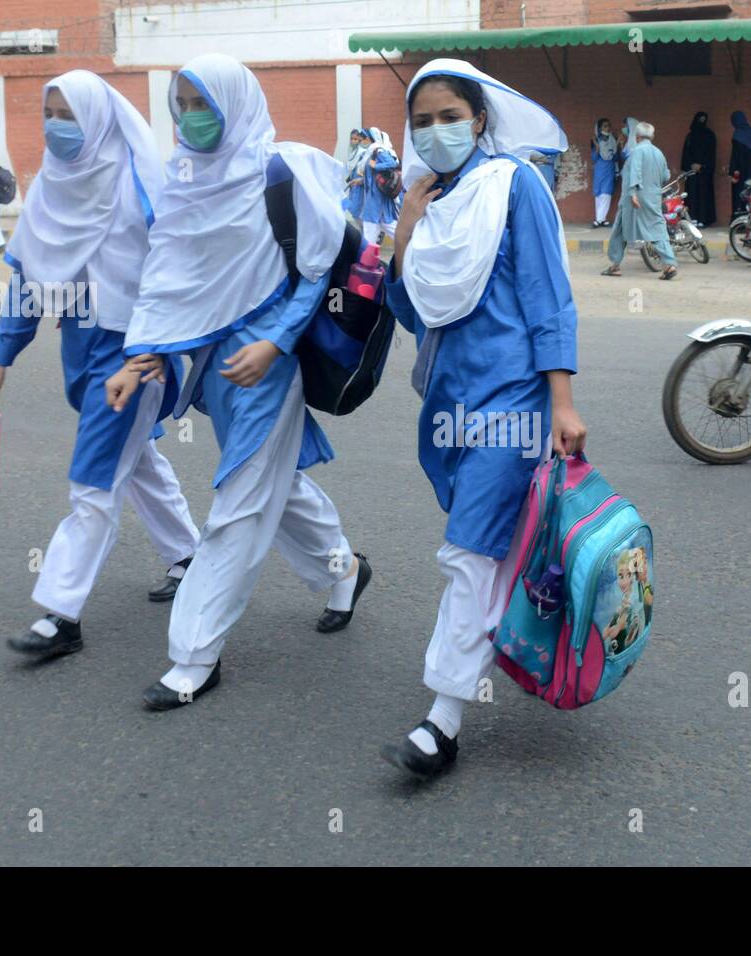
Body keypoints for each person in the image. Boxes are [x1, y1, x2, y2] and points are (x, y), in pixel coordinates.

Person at [105, 53, 368, 709]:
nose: (191, 118)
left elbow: (314, 270)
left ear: (235, 104)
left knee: (239, 502)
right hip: (211, 368)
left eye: (204, 104)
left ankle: (193, 656)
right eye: (182, 104)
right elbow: (168, 278)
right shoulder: (185, 180)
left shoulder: (282, 171)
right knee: (276, 485)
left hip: (265, 365)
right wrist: (141, 359)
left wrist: (276, 344)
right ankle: (345, 568)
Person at [379, 58, 583, 779]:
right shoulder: (427, 201)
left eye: (449, 117)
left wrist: (561, 400)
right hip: (449, 402)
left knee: (468, 552)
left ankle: (443, 719)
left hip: (515, 396)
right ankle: (533, 639)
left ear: (480, 120)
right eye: (422, 122)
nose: (436, 133)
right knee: (495, 547)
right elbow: (407, 312)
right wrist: (405, 228)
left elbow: (547, 296)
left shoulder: (514, 185)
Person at [0, 71, 200, 660]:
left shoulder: (140, 188)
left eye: (69, 114)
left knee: (93, 479)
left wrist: (153, 355)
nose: (56, 125)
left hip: (135, 357)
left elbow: (176, 280)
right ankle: (188, 555)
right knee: (137, 460)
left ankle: (60, 614)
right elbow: (27, 278)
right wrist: (1, 358)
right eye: (49, 112)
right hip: (81, 350)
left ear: (99, 119)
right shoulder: (52, 186)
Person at [602, 121, 677, 280]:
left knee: (620, 229)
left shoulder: (637, 152)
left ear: (636, 137)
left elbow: (634, 173)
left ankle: (615, 265)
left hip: (634, 197)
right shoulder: (659, 153)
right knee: (657, 230)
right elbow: (666, 176)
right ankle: (669, 264)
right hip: (654, 197)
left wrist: (633, 193)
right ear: (652, 136)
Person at [357, 125, 400, 246]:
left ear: (371, 139)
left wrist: (375, 166)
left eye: (364, 139)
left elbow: (391, 163)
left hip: (377, 198)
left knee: (371, 229)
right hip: (374, 199)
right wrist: (360, 181)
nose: (362, 142)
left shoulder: (378, 151)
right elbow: (370, 176)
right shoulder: (371, 153)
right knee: (382, 227)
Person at [680, 110, 717, 226]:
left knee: (703, 195)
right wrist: (691, 164)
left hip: (704, 172)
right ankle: (692, 219)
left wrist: (703, 165)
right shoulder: (690, 136)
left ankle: (703, 219)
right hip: (691, 172)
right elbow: (686, 153)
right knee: (692, 194)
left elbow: (712, 154)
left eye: (703, 119)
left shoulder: (710, 135)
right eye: (700, 119)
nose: (702, 122)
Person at [727, 110, 751, 222]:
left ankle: (738, 221)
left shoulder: (737, 135)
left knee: (739, 195)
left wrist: (733, 173)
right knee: (750, 196)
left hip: (740, 173)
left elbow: (736, 156)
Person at [590, 118, 617, 226]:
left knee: (607, 193)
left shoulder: (613, 139)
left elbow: (616, 157)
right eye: (605, 126)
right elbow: (594, 158)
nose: (608, 128)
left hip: (609, 168)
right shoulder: (596, 139)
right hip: (599, 168)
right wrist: (597, 147)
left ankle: (599, 219)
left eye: (608, 126)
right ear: (600, 128)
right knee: (599, 193)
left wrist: (618, 144)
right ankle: (602, 218)